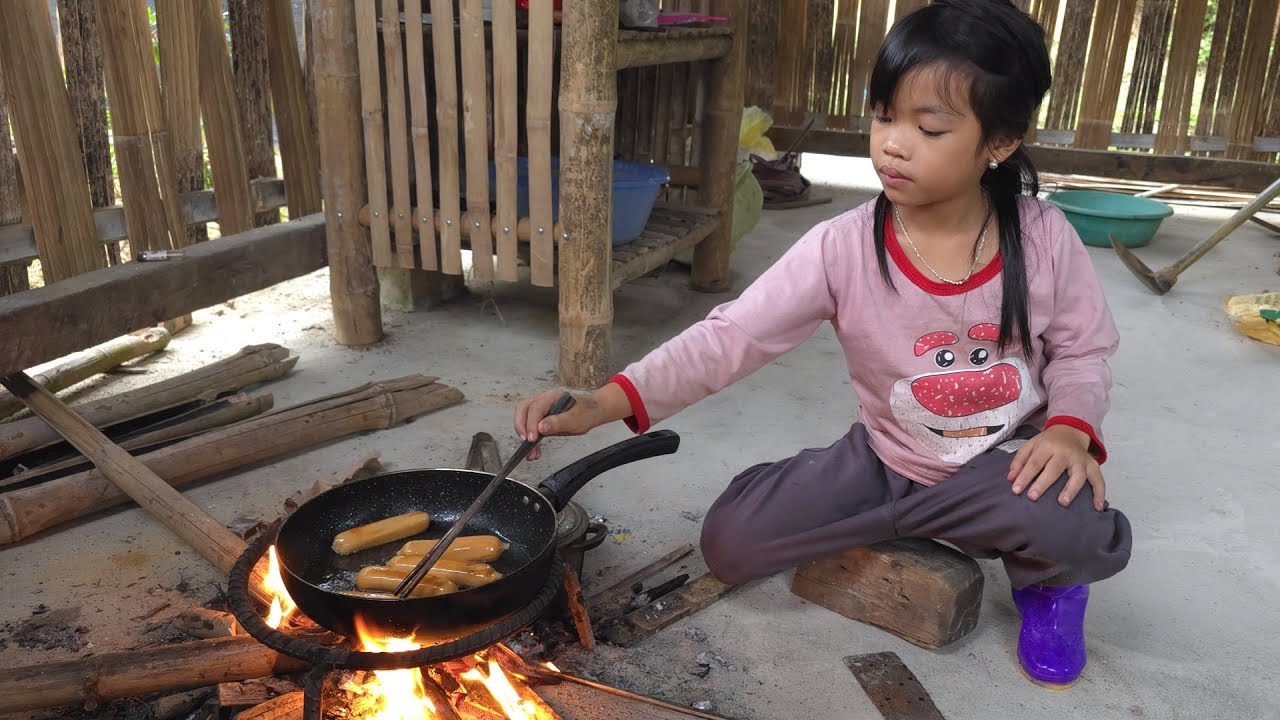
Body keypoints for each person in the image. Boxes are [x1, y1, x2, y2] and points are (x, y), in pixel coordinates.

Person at [514, 0, 1131, 690]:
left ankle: (1047, 587)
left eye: (928, 127)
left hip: (1000, 465)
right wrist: (602, 402)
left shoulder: (1044, 239)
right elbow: (732, 336)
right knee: (731, 541)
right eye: (884, 115)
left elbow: (1083, 350)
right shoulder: (841, 246)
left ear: (1000, 142)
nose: (893, 143)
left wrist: (1072, 430)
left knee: (1079, 530)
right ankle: (849, 500)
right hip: (882, 454)